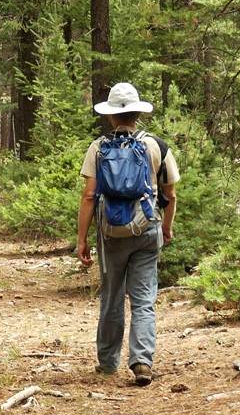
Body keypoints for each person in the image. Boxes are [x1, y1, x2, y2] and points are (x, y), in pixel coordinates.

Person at [75, 83, 179, 386]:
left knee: (111, 298)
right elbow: (170, 195)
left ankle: (107, 363)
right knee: (144, 300)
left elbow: (89, 196)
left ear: (111, 116)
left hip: (110, 233)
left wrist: (82, 239)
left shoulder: (98, 147)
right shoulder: (157, 146)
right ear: (137, 114)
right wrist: (166, 227)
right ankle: (142, 362)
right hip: (147, 228)